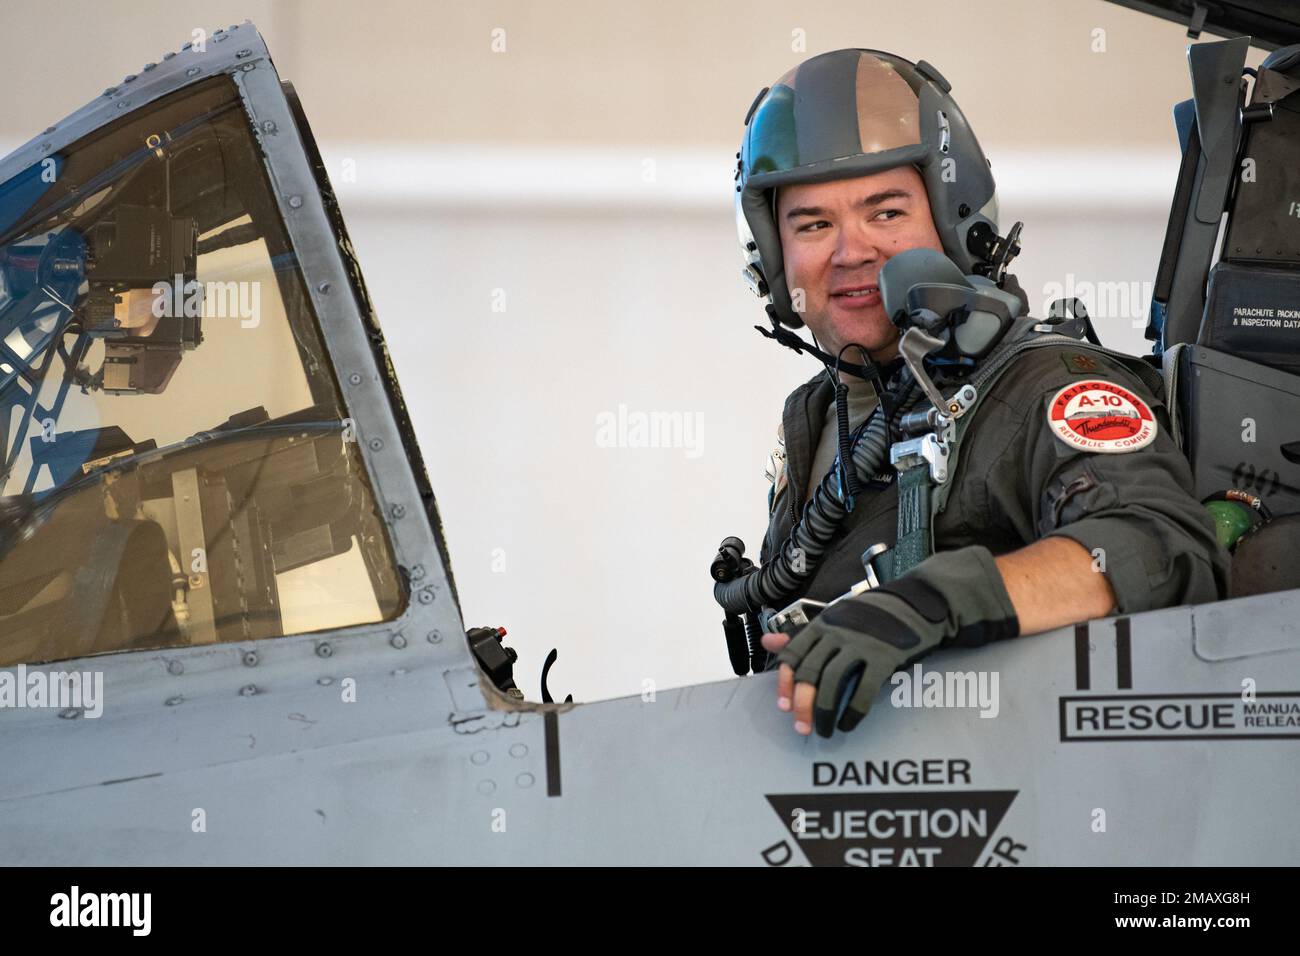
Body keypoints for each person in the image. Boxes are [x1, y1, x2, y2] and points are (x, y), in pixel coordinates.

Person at [718, 48, 1229, 738]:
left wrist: (935, 601)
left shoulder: (1046, 384)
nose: (851, 251)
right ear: (772, 256)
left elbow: (1161, 546)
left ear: (957, 222)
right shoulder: (817, 416)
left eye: (886, 211)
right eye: (814, 224)